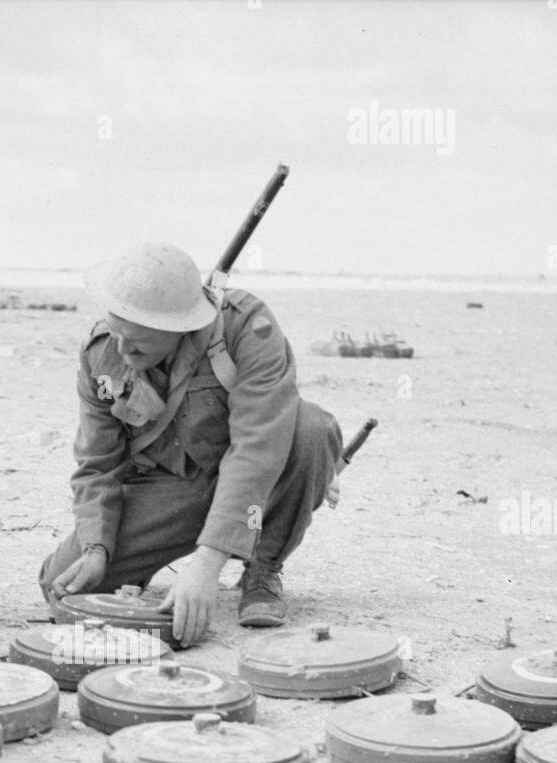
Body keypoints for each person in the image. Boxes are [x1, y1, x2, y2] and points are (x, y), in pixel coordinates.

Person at [39, 242, 346, 646]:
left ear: (180, 328)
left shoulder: (247, 330)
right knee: (62, 586)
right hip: (171, 488)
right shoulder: (102, 352)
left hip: (250, 484)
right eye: (116, 332)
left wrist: (208, 562)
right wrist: (98, 546)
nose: (121, 350)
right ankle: (134, 565)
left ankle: (263, 565)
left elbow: (258, 449)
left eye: (138, 343)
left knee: (308, 428)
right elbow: (98, 464)